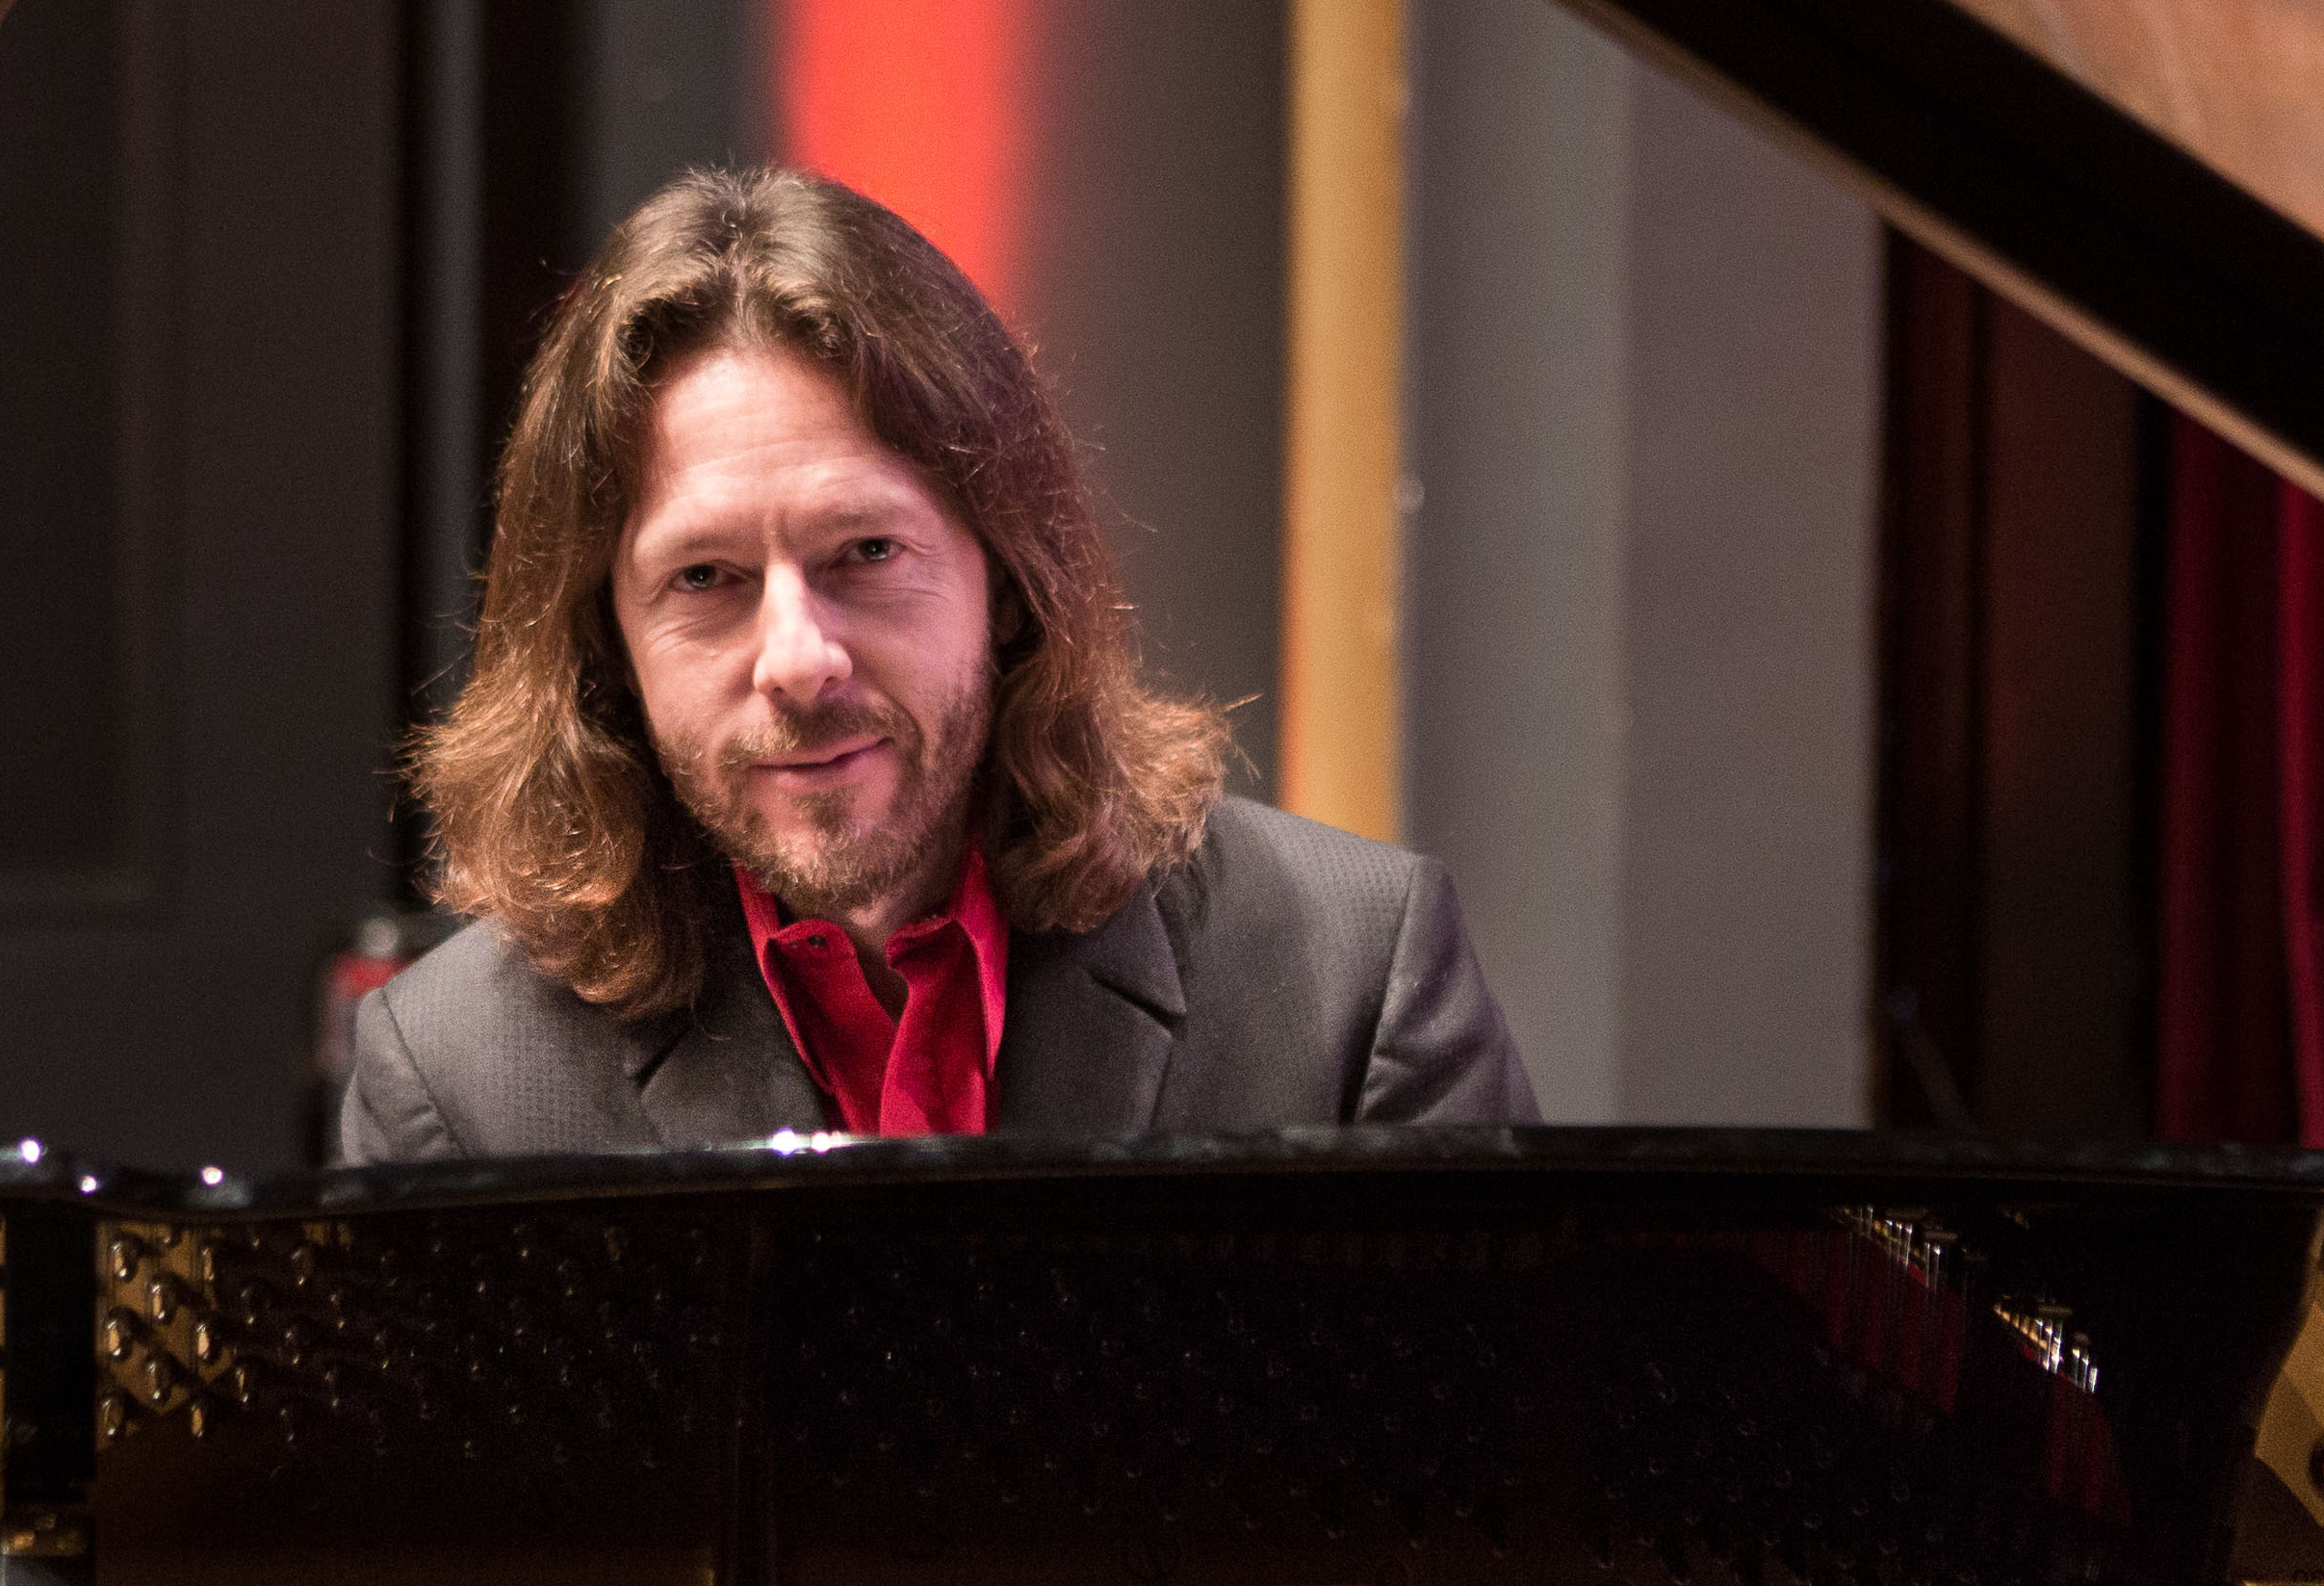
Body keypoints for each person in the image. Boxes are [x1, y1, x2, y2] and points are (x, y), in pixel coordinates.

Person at [340, 167, 1534, 1156]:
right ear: (606, 640)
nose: (797, 660)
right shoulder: (455, 1081)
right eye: (704, 579)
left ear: (1007, 579)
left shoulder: (1352, 981)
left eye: (865, 549)